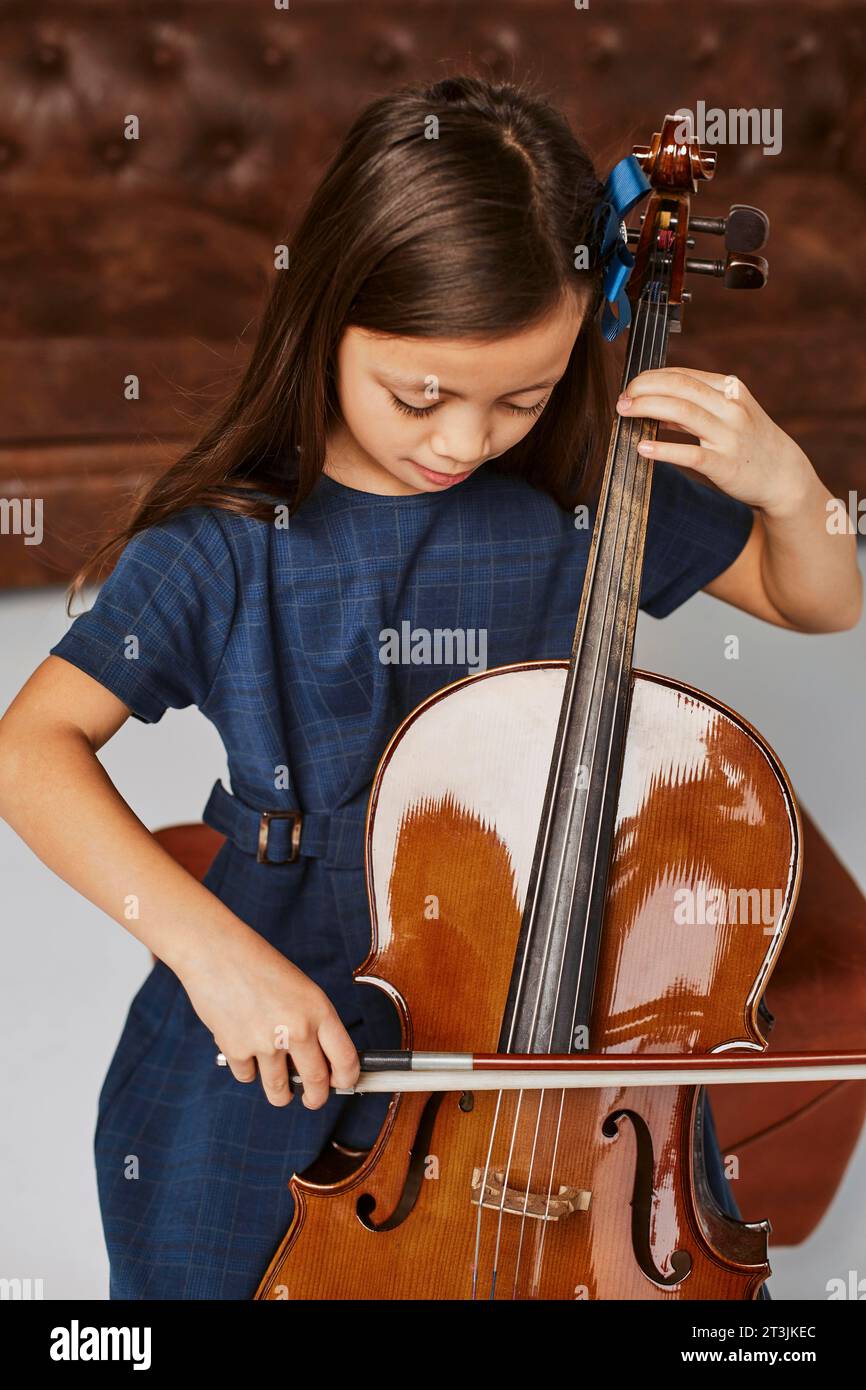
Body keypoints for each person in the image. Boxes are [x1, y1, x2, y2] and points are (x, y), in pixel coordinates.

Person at [0, 76, 859, 1301]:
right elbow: (29, 749)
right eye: (420, 396)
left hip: (537, 979)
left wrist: (788, 484)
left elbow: (819, 596)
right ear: (329, 313)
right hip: (283, 963)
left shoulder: (574, 499)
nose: (464, 442)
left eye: (521, 396)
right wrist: (207, 955)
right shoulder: (229, 543)